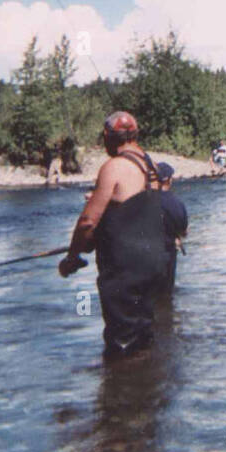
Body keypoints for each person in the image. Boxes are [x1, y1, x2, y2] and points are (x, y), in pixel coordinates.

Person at [58, 112, 174, 357]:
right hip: (155, 265)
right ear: (136, 135)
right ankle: (149, 389)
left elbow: (88, 222)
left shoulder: (114, 167)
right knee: (143, 336)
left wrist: (72, 257)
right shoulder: (151, 166)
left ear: (108, 137)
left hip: (125, 272)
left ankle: (120, 391)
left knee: (121, 346)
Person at [153, 162, 189, 288]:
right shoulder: (177, 203)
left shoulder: (143, 199)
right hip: (167, 253)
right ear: (169, 180)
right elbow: (183, 231)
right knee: (166, 295)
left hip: (145, 255)